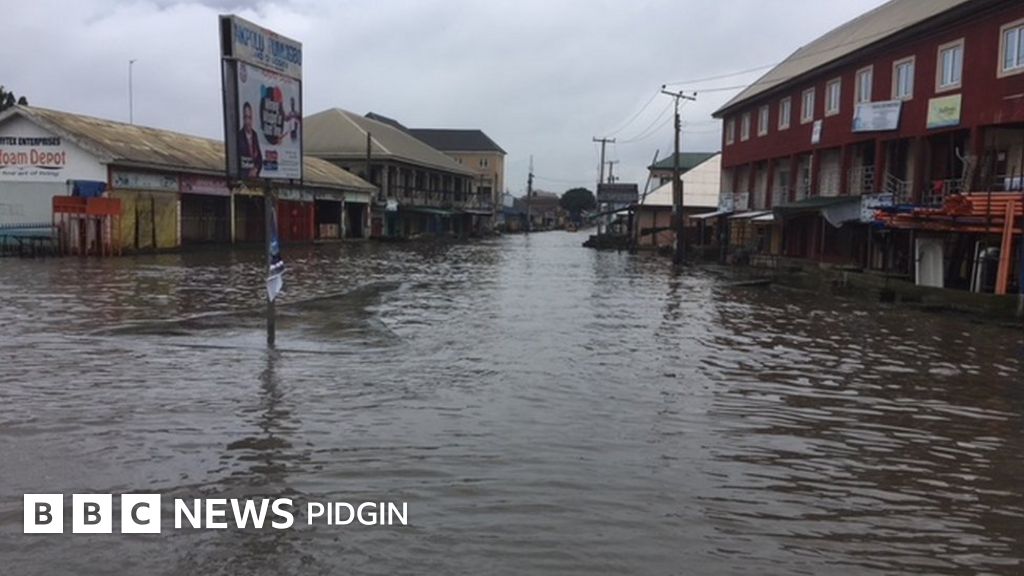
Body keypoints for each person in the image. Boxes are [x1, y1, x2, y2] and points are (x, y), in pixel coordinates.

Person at [237, 101, 262, 178]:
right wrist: (248, 172)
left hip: (255, 177)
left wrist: (256, 169)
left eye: (249, 118)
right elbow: (238, 160)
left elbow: (259, 158)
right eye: (245, 117)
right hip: (244, 177)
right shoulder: (239, 136)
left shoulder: (254, 135)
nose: (247, 121)